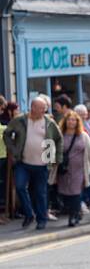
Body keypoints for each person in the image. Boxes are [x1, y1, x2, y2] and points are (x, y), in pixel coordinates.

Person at [3, 96, 62, 230]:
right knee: (19, 187)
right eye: (42, 109)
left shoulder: (49, 122)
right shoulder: (19, 120)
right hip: (23, 163)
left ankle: (42, 219)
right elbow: (6, 134)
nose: (44, 111)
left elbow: (58, 139)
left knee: (40, 193)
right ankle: (29, 214)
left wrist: (56, 158)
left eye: (45, 109)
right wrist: (13, 150)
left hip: (42, 165)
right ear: (33, 108)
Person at [56, 112, 90, 227]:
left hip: (79, 169)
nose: (71, 122)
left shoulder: (83, 135)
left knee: (75, 193)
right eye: (69, 120)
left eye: (74, 120)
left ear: (77, 122)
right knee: (65, 193)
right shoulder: (59, 135)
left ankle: (73, 216)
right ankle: (76, 212)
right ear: (65, 121)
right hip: (64, 170)